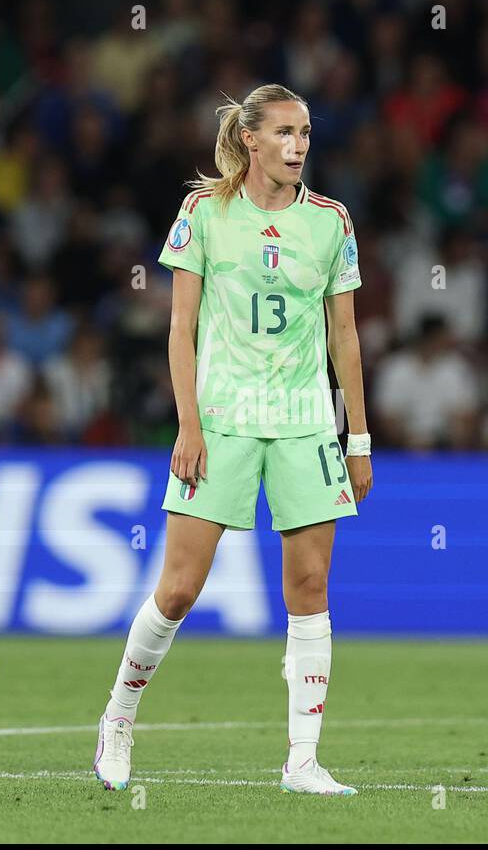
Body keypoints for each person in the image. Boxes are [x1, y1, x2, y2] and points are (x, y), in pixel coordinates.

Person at [93, 84, 373, 795]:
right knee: (181, 589)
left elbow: (345, 335)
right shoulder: (205, 214)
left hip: (305, 421)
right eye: (284, 132)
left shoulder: (331, 222)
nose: (299, 144)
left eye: (306, 131)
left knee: (309, 587)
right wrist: (187, 423)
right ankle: (119, 718)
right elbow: (179, 327)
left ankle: (302, 761)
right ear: (250, 139)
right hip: (221, 417)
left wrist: (359, 438)